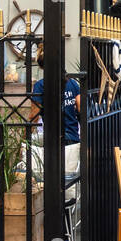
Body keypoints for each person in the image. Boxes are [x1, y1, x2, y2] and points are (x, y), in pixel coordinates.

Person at [30, 45, 82, 179]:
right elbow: (82, 109)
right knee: (68, 177)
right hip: (73, 137)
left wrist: (25, 138)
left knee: (51, 177)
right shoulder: (73, 84)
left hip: (52, 139)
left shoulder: (40, 86)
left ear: (42, 66)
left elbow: (34, 116)